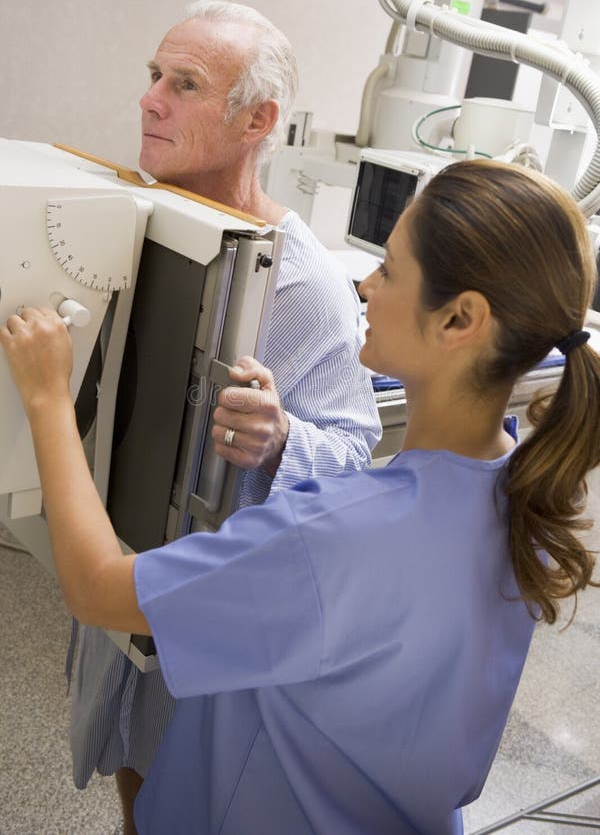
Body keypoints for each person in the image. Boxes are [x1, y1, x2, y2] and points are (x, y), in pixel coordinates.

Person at [3, 159, 599, 834]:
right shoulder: (522, 491)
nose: (366, 285)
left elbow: (94, 587)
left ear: (460, 319)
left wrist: (49, 396)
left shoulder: (336, 538)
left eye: (391, 271)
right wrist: (287, 435)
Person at [67, 0, 382, 832]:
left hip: (216, 599)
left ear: (258, 120)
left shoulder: (303, 286)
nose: (150, 99)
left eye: (185, 84)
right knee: (133, 765)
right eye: (153, 76)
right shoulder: (152, 219)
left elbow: (357, 446)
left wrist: (282, 439)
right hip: (133, 563)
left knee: (183, 787)